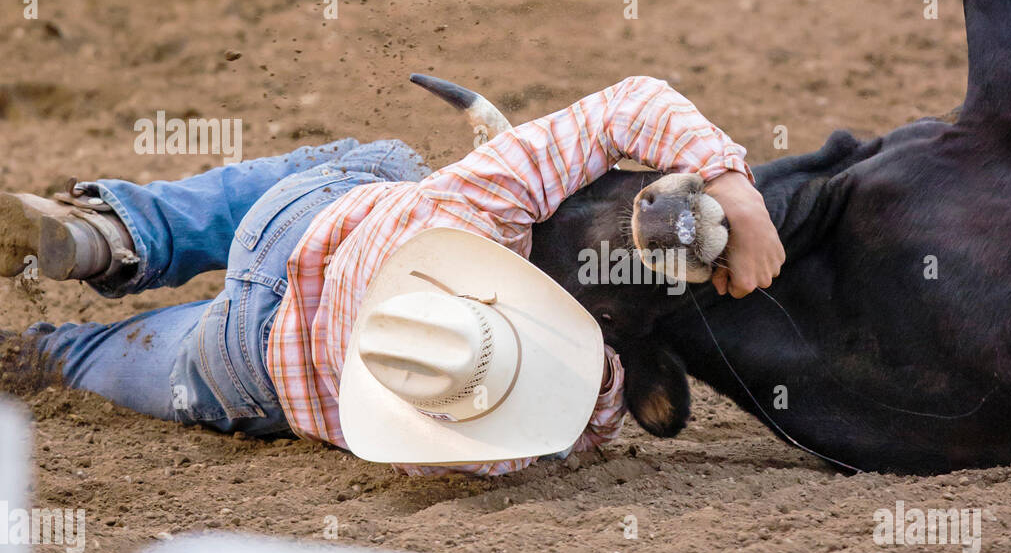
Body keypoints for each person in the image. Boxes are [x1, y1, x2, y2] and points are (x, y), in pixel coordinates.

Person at [0, 75, 784, 475]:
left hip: (304, 224)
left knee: (386, 163)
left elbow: (630, 102)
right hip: (254, 370)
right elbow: (619, 407)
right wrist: (613, 356)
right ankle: (47, 354)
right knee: (121, 362)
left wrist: (730, 185)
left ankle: (115, 235)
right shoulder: (499, 440)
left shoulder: (474, 207)